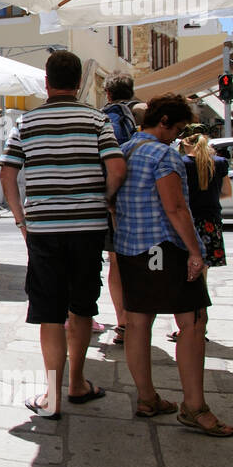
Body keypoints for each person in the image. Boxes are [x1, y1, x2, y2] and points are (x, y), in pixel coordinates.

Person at [0, 51, 125, 418]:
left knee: (49, 311)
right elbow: (116, 167)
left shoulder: (26, 123)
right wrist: (104, 199)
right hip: (88, 227)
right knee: (82, 305)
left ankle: (51, 396)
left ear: (46, 80)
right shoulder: (97, 120)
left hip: (43, 229)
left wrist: (22, 221)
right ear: (78, 83)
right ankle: (78, 383)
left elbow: (8, 175)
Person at [114, 94, 233, 437]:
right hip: (166, 247)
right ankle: (195, 407)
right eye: (177, 129)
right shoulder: (163, 155)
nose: (178, 137)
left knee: (137, 324)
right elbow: (176, 208)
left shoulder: (124, 151)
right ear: (163, 121)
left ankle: (147, 398)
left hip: (129, 248)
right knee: (193, 322)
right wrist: (195, 251)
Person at [168, 124, 232, 342]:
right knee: (202, 276)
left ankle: (188, 326)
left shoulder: (181, 164)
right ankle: (201, 325)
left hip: (187, 223)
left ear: (184, 142)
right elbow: (227, 192)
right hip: (211, 223)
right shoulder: (220, 163)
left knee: (185, 276)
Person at [102, 75, 137, 346]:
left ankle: (123, 321)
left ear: (108, 93)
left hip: (110, 198)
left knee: (115, 261)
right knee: (133, 261)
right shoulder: (139, 115)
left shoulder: (104, 119)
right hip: (137, 197)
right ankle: (136, 319)